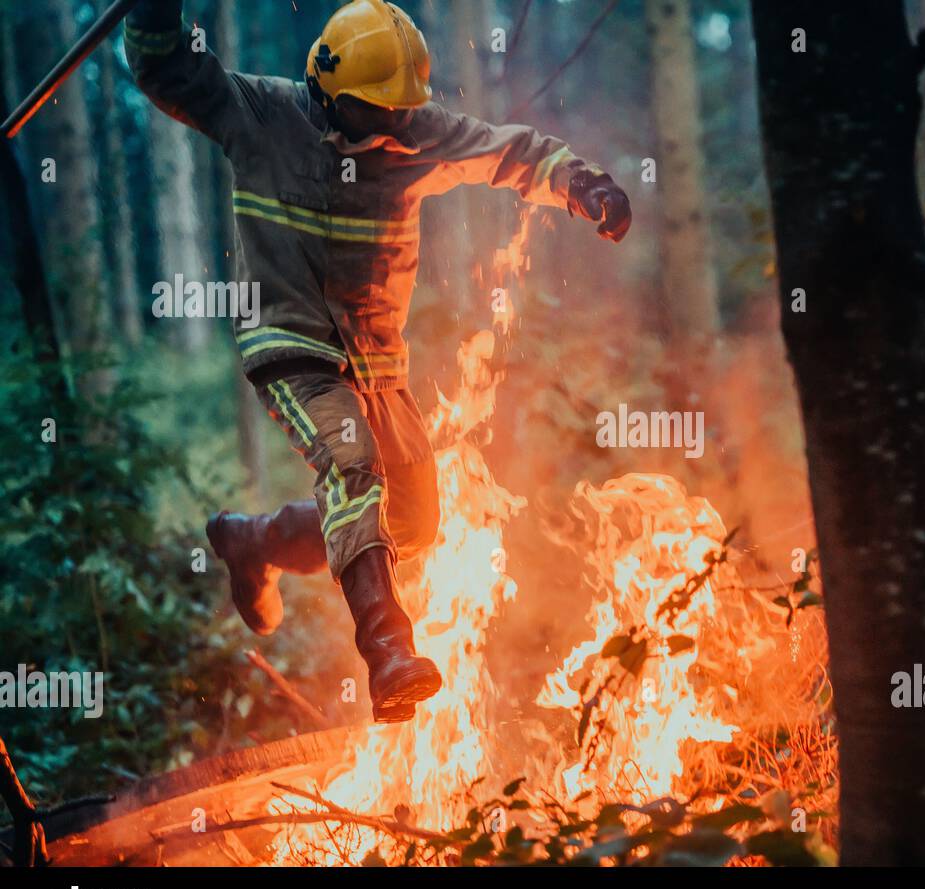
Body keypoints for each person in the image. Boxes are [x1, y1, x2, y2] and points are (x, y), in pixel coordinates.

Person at [126, 0, 631, 722]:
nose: (394, 128)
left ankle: (255, 542)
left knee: (414, 524)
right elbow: (163, 65)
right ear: (327, 90)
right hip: (292, 348)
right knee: (350, 463)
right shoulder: (259, 114)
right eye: (376, 113)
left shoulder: (414, 130)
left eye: (402, 111)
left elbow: (509, 152)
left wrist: (584, 185)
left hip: (377, 365)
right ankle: (388, 652)